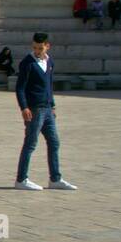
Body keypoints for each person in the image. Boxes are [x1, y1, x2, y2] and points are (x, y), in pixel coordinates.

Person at [14, 32, 78, 191]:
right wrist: (24, 107)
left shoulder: (49, 61)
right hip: (34, 109)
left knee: (54, 142)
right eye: (35, 47)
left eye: (40, 48)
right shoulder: (27, 63)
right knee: (30, 143)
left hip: (48, 109)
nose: (37, 51)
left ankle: (55, 179)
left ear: (47, 46)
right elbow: (20, 88)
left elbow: (49, 84)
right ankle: (21, 179)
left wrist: (53, 104)